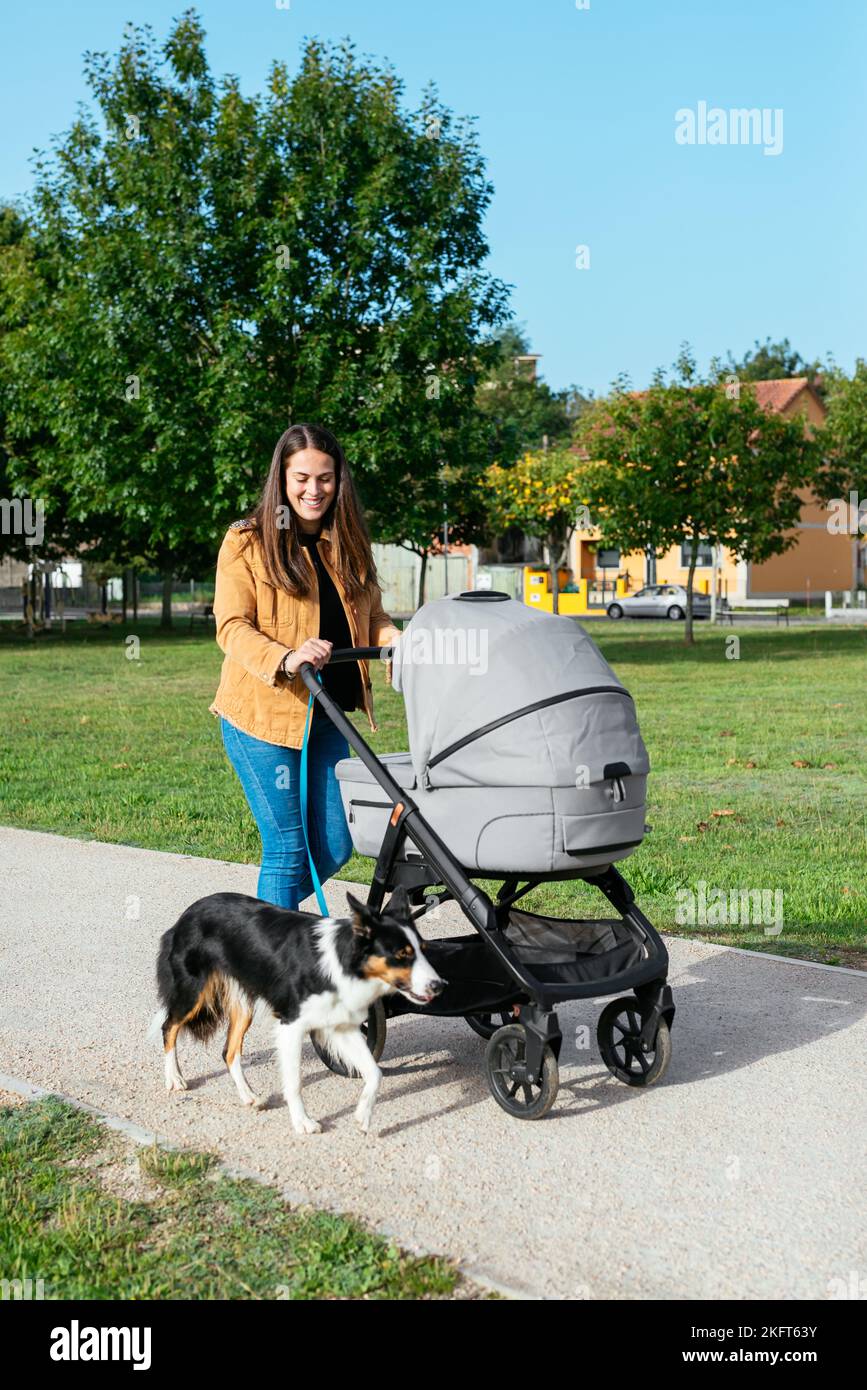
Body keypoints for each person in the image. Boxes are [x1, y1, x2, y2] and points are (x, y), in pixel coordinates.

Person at [208, 423, 402, 910]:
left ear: (340, 481)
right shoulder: (247, 542)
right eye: (301, 478)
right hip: (263, 719)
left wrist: (398, 640)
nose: (313, 490)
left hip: (328, 716)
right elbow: (231, 626)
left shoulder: (350, 543)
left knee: (336, 844)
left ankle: (250, 928)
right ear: (282, 477)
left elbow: (372, 618)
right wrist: (287, 656)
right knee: (288, 851)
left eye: (325, 478)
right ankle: (275, 970)